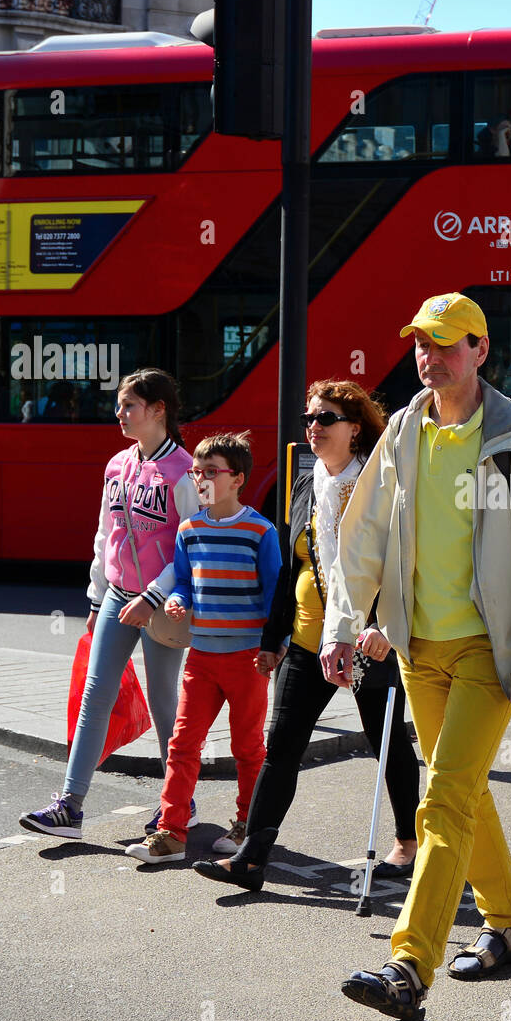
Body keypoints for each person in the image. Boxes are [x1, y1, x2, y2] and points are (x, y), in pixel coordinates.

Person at [327, 292, 511, 1021]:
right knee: (461, 790)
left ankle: (409, 964)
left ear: (479, 350)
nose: (427, 356)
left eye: (442, 343)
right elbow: (364, 533)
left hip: (487, 650)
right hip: (417, 646)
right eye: (419, 344)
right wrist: (345, 622)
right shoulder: (403, 428)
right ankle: (508, 924)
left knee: (442, 799)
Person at [192, 381, 421, 892]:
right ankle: (251, 858)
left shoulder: (383, 485)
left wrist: (386, 626)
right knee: (282, 747)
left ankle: (407, 844)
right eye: (309, 420)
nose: (313, 428)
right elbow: (290, 566)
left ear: (354, 428)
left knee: (387, 744)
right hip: (307, 640)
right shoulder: (306, 485)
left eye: (325, 419)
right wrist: (272, 639)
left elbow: (403, 564)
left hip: (368, 640)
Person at [20, 368, 198, 839]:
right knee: (94, 696)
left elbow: (191, 546)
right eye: (119, 405)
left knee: (164, 704)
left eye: (129, 406)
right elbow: (105, 535)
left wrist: (153, 597)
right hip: (118, 597)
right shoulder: (117, 465)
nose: (119, 414)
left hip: (160, 606)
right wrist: (98, 596)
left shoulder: (184, 470)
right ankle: (69, 806)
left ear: (158, 410)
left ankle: (180, 803)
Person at [125, 432, 282, 863]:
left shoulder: (260, 531)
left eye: (211, 472)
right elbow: (185, 583)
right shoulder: (189, 529)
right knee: (181, 744)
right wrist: (178, 601)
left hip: (248, 657)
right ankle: (171, 833)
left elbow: (275, 594)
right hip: (202, 657)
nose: (200, 479)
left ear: (238, 479)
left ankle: (247, 825)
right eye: (197, 472)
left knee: (247, 747)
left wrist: (275, 645)